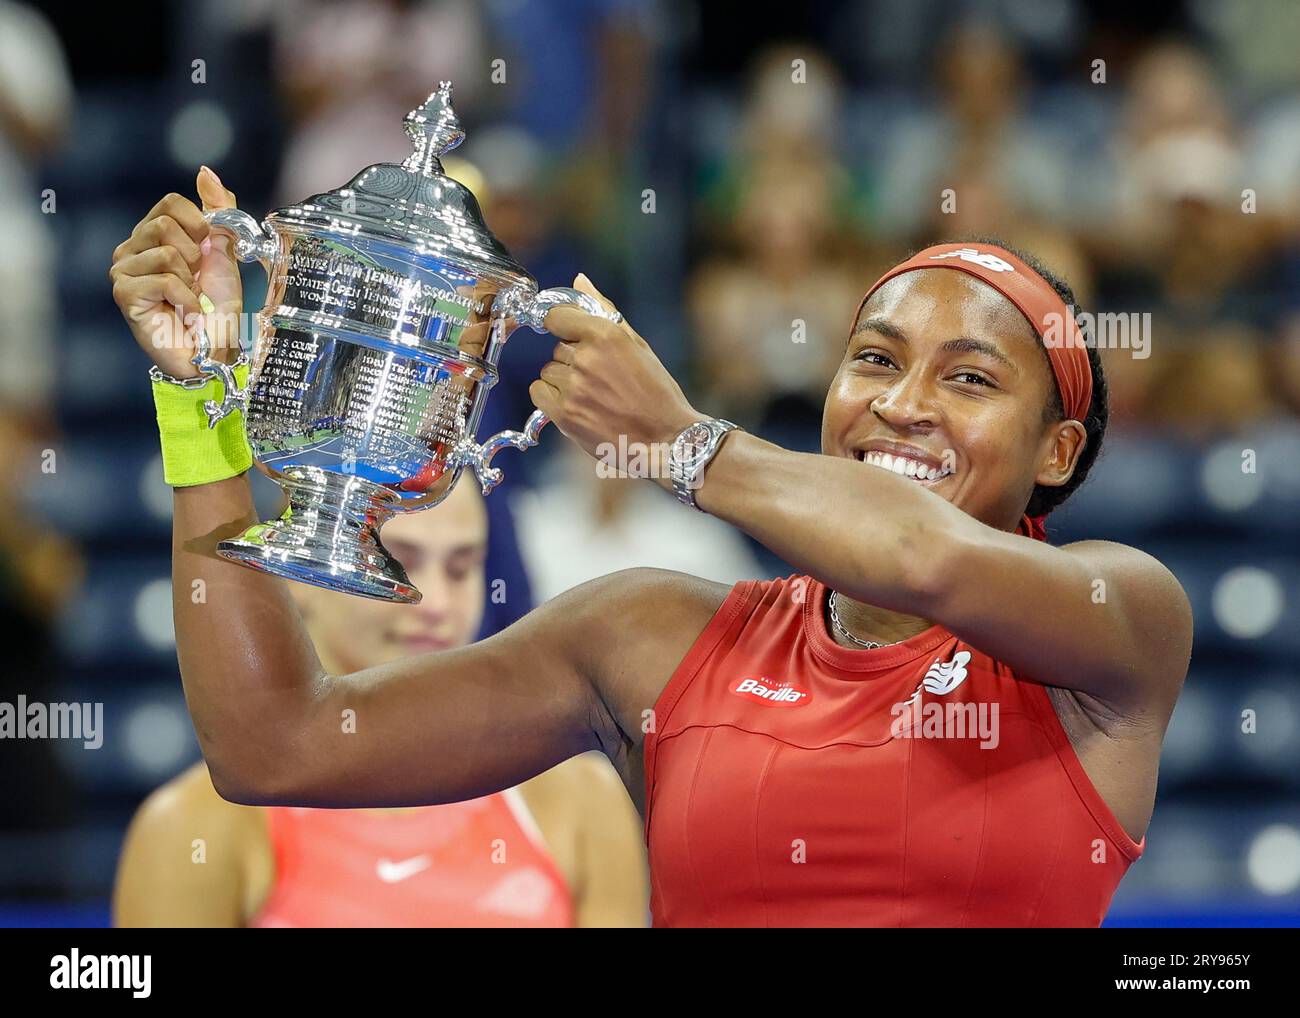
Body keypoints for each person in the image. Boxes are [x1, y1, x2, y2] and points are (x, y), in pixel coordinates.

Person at [108, 169, 1193, 927]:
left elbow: (925, 560)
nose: (900, 406)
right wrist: (197, 399)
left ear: (1056, 451)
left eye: (968, 378)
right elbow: (274, 744)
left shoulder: (1120, 623)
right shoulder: (645, 634)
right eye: (873, 358)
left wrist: (680, 445)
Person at [112, 481, 648, 927]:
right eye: (398, 562)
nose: (436, 604)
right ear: (298, 574)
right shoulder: (194, 828)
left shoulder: (580, 801)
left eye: (461, 568)